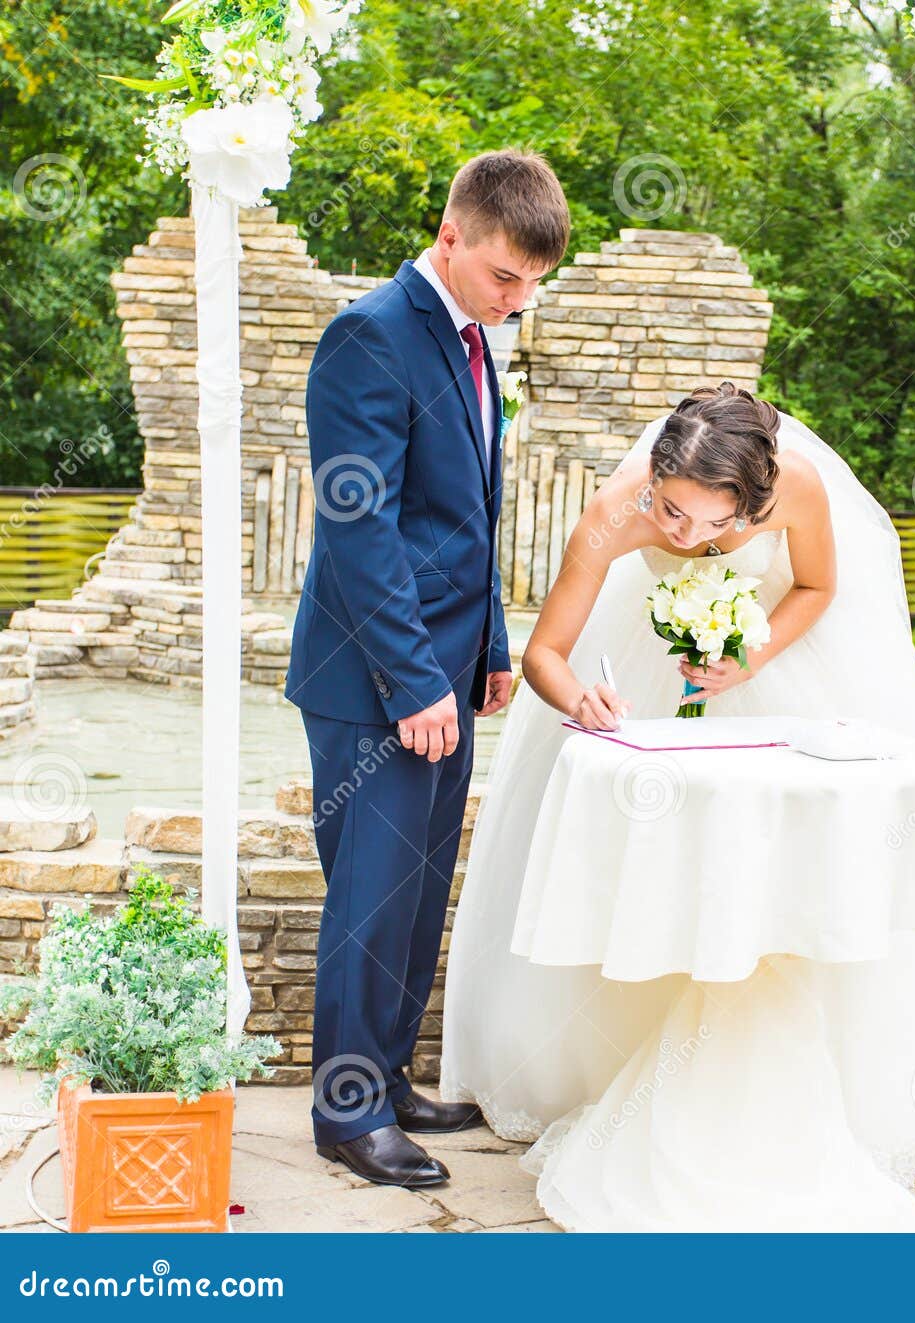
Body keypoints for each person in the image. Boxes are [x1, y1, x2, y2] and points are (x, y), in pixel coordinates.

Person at [442, 383, 915, 1229]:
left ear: (754, 499)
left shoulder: (797, 486)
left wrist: (748, 654)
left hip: (774, 678)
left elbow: (817, 587)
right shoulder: (618, 510)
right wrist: (581, 702)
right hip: (642, 686)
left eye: (717, 525)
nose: (688, 539)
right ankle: (624, 1064)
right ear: (660, 477)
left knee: (780, 865)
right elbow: (547, 654)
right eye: (674, 513)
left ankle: (789, 1075)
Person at [285, 150, 569, 1188]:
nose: (517, 301)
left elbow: (464, 519)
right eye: (505, 277)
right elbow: (360, 533)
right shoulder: (369, 335)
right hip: (374, 681)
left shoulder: (470, 337)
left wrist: (489, 648)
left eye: (533, 285)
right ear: (450, 237)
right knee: (369, 899)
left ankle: (390, 1077)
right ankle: (347, 1116)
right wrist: (415, 684)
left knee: (413, 893)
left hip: (447, 669)